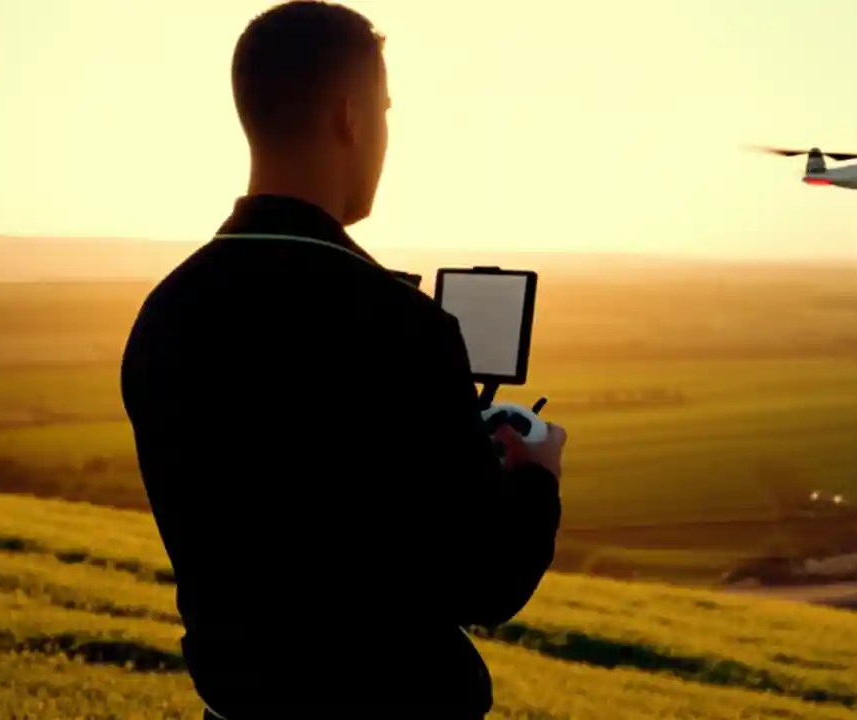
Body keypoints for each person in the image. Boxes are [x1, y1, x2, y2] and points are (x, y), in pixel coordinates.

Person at [119, 2, 566, 717]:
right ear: (352, 116)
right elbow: (485, 583)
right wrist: (536, 479)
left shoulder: (165, 315)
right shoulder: (403, 330)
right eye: (386, 111)